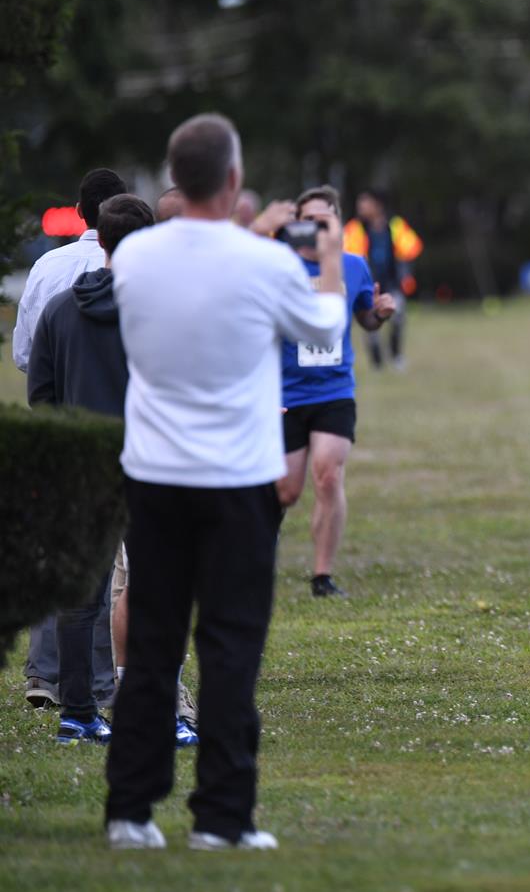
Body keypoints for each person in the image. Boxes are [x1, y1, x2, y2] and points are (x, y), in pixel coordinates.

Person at [105, 113, 345, 851]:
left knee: (152, 646)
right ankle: (221, 816)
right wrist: (326, 255)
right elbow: (322, 333)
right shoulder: (265, 263)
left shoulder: (135, 257)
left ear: (174, 178)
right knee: (230, 647)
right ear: (235, 181)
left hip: (153, 476)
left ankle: (130, 811)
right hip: (237, 478)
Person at [27, 194, 155, 745]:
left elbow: (42, 395)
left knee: (84, 595)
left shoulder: (58, 311)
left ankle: (77, 711)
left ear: (97, 238)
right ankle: (150, 703)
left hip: (84, 465)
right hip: (150, 463)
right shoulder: (157, 311)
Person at [12, 167, 127, 711]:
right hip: (126, 432)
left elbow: (25, 355)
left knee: (60, 551)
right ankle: (100, 681)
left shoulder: (48, 268)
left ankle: (44, 673)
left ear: (81, 214)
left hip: (63, 420)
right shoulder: (138, 284)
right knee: (117, 566)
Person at [277, 186, 396, 598]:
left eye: (324, 220)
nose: (316, 228)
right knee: (286, 491)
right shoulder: (278, 266)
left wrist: (378, 314)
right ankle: (255, 559)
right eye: (307, 220)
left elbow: (365, 318)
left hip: (334, 388)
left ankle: (322, 576)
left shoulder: (354, 266)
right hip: (285, 391)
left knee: (328, 475)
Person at [343, 190, 421, 370]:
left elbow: (411, 248)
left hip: (393, 283)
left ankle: (396, 355)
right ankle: (377, 362)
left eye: (365, 202)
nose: (361, 207)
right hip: (368, 285)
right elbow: (347, 253)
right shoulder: (355, 228)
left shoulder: (395, 225)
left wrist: (406, 274)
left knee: (398, 317)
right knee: (370, 325)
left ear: (378, 205)